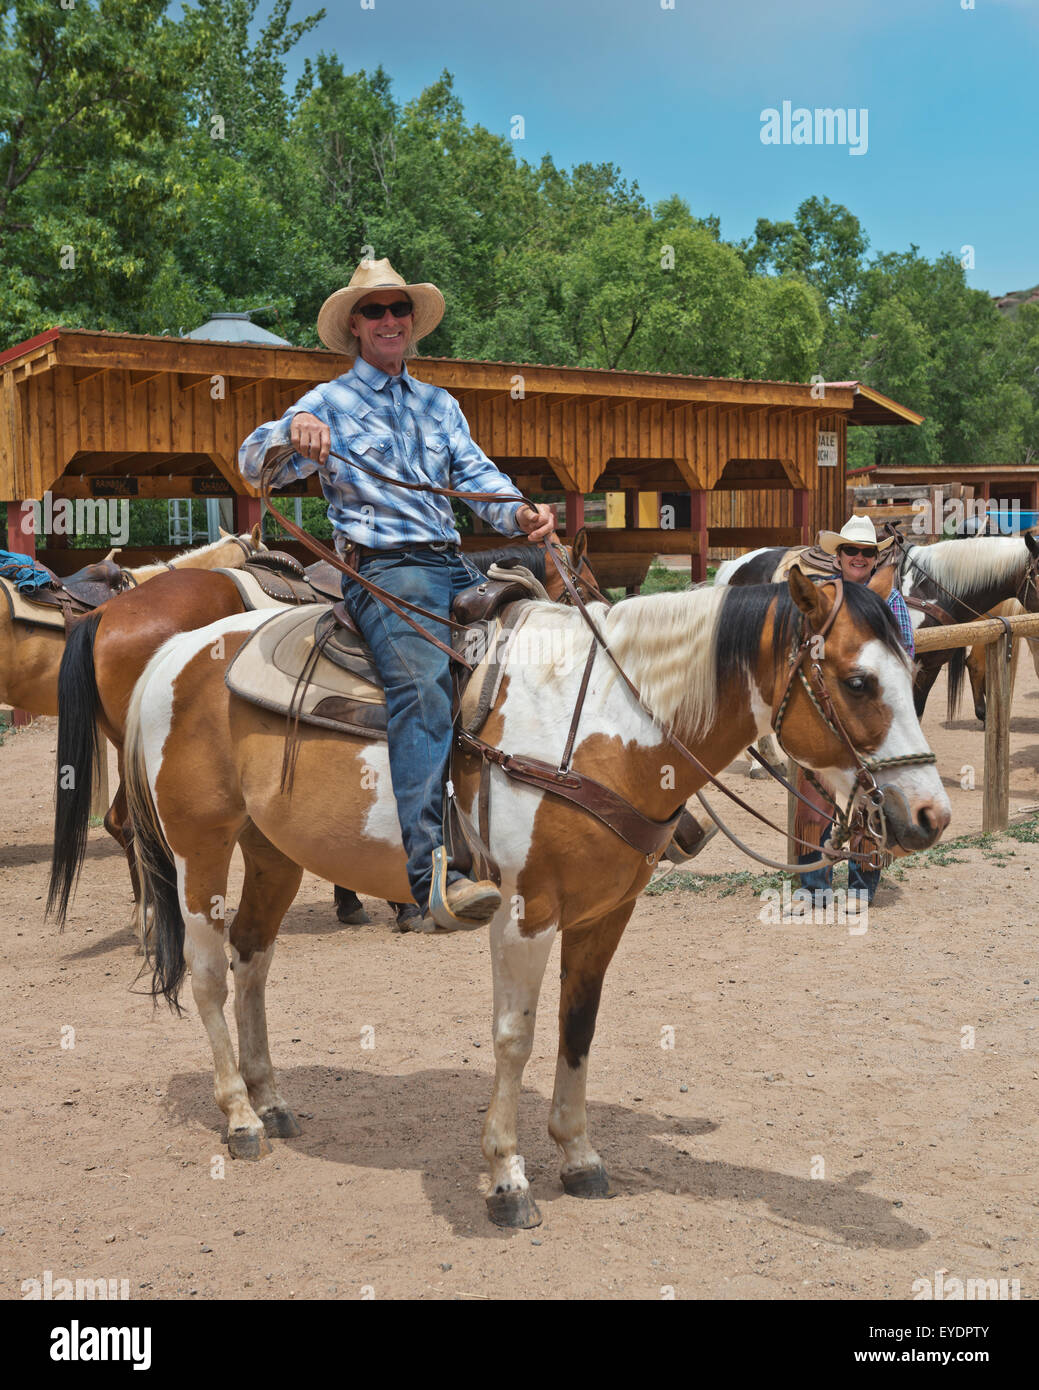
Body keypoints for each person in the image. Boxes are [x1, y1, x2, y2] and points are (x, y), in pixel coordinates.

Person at [238, 257, 556, 931]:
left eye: (398, 310)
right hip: (385, 567)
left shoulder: (440, 403)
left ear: (411, 323)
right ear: (354, 326)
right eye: (375, 311)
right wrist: (288, 434)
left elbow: (476, 476)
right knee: (423, 689)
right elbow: (251, 461)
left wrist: (520, 513)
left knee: (546, 645)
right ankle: (431, 874)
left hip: (454, 562)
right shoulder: (324, 403)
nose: (389, 321)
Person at [795, 515, 915, 907]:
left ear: (874, 559)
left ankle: (862, 887)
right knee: (817, 797)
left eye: (867, 552)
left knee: (870, 798)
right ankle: (815, 886)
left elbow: (904, 657)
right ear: (839, 556)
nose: (859, 558)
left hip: (868, 717)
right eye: (852, 551)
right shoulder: (819, 597)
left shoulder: (891, 602)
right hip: (825, 713)